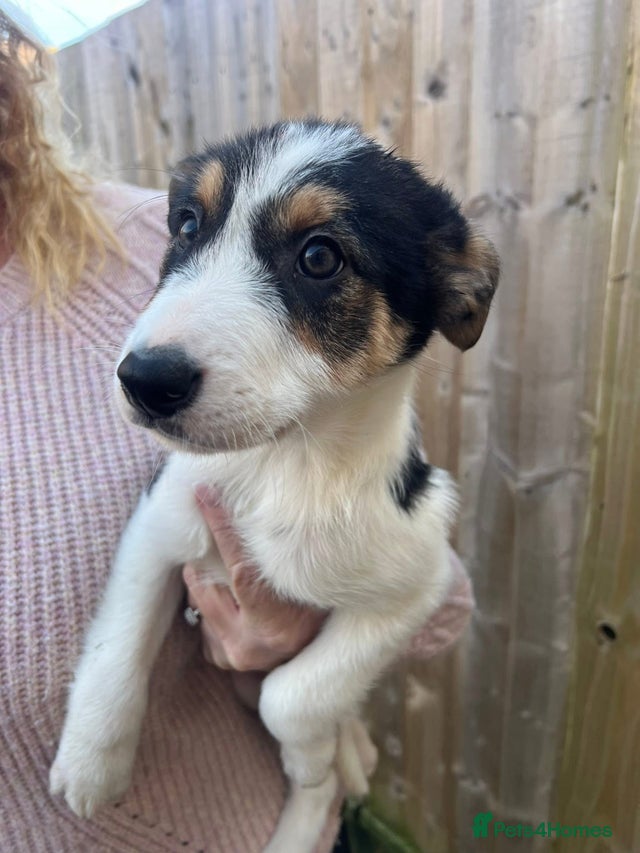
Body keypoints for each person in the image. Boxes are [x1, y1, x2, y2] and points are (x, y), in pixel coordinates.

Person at [0, 12, 473, 852]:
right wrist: (107, 704)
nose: (156, 343)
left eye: (319, 258)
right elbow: (159, 534)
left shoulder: (121, 227)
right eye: (192, 227)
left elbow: (429, 593)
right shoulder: (200, 446)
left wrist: (299, 667)